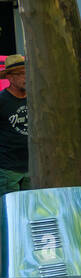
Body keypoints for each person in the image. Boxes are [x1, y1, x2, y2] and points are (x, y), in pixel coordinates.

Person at [0, 55, 30, 197]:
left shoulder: (35, 98)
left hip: (32, 166)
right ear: (10, 78)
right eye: (21, 73)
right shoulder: (2, 100)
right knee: (8, 213)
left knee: (30, 211)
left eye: (27, 72)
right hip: (8, 168)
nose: (26, 77)